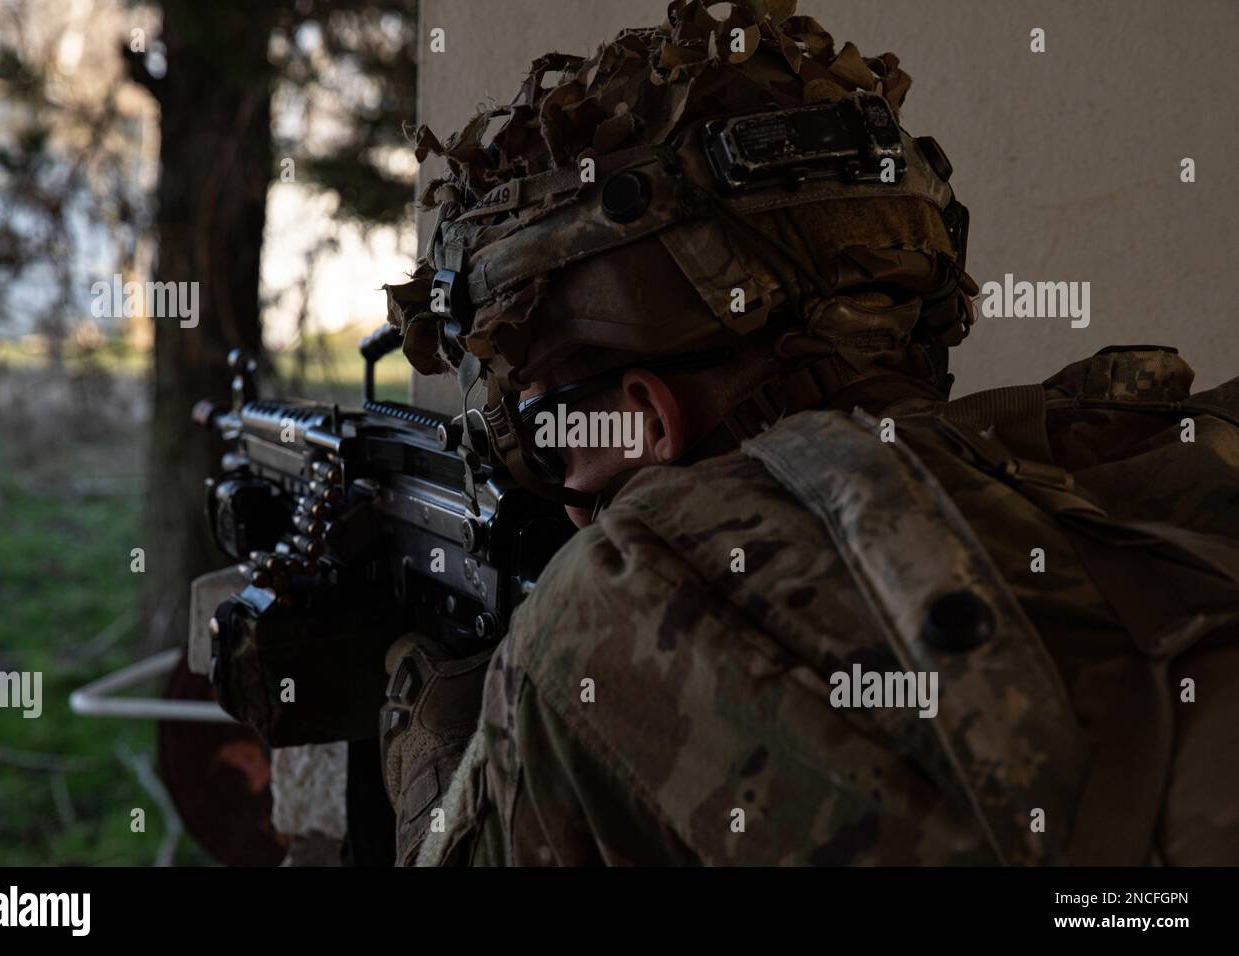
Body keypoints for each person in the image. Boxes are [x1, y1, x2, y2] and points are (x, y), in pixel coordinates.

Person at [381, 0, 1239, 866]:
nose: (558, 495)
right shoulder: (1156, 440)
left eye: (548, 432)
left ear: (644, 412)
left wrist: (436, 749)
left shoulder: (619, 603)